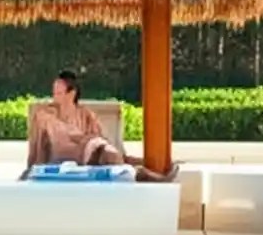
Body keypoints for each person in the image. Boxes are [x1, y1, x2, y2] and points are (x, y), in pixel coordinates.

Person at [24, 70, 180, 182]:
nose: (54, 97)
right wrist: (31, 170)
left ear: (71, 93)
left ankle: (153, 170)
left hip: (91, 154)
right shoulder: (45, 115)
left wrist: (91, 143)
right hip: (69, 157)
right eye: (54, 92)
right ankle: (150, 174)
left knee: (109, 153)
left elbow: (98, 138)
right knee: (109, 154)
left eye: (58, 93)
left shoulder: (86, 115)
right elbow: (39, 145)